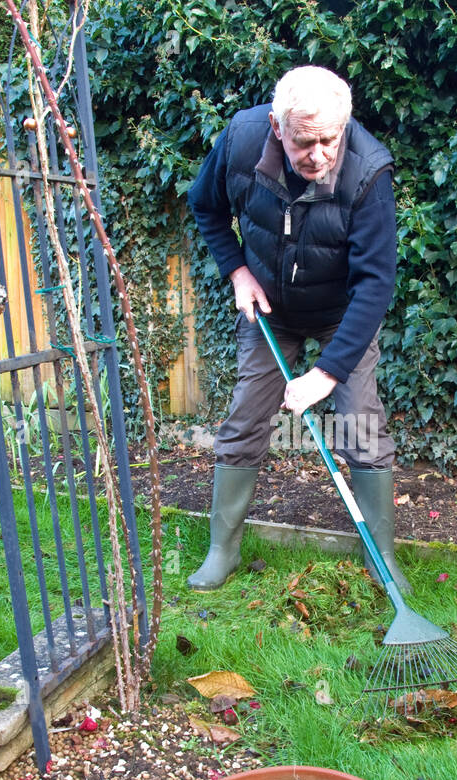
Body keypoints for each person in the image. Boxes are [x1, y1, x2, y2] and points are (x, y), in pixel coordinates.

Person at [185, 64, 411, 593]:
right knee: (244, 419)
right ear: (275, 127)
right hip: (271, 310)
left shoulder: (368, 170)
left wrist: (328, 373)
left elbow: (376, 284)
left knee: (362, 426)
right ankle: (223, 550)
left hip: (341, 316)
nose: (319, 156)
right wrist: (237, 271)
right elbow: (205, 205)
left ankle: (380, 559)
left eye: (329, 140)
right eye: (303, 143)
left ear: (345, 126)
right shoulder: (241, 144)